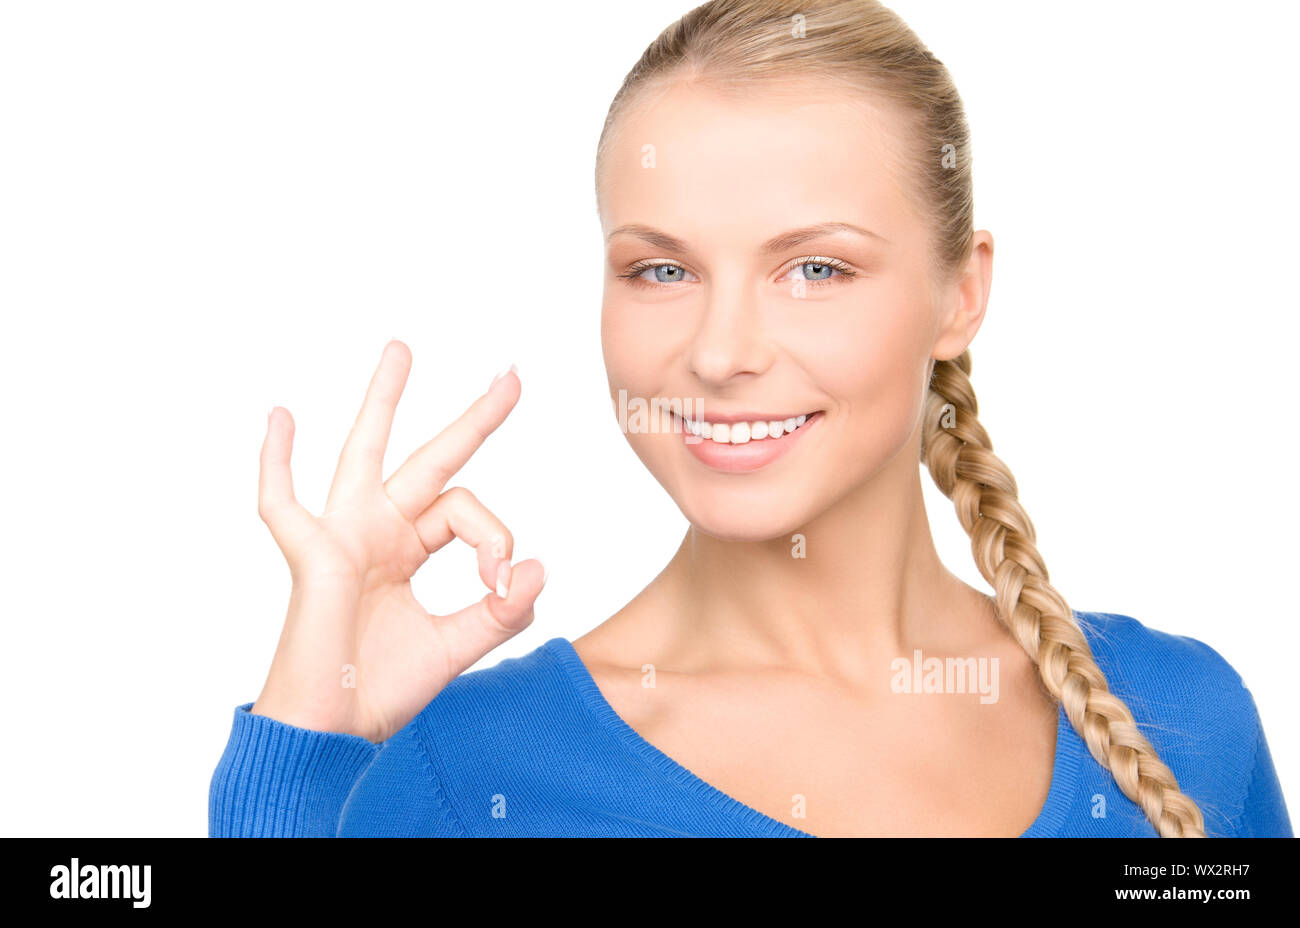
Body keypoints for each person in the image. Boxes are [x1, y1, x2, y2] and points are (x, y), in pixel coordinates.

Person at [209, 0, 1291, 838]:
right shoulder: (472, 774)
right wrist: (313, 737)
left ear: (960, 292)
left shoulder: (1183, 718)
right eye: (662, 268)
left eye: (814, 268)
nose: (721, 352)